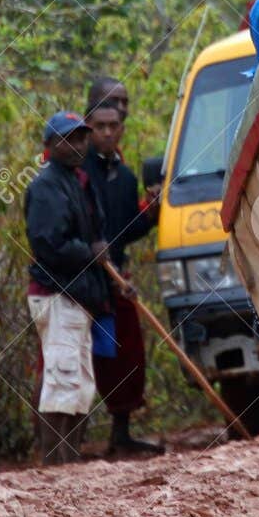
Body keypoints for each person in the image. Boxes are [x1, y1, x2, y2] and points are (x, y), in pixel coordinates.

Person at [25, 111, 114, 463]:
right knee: (62, 378)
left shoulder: (78, 180)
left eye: (81, 137)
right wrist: (91, 253)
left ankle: (70, 460)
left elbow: (92, 238)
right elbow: (49, 245)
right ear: (49, 145)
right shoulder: (45, 186)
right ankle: (54, 464)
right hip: (56, 293)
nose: (77, 144)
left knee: (80, 380)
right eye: (68, 138)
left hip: (79, 296)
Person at [84, 94, 164, 455]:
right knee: (81, 360)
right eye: (99, 127)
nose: (106, 133)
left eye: (113, 126)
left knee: (125, 354)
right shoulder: (77, 173)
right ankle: (68, 443)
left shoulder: (126, 174)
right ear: (88, 129)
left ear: (121, 130)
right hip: (81, 281)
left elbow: (124, 229)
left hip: (117, 279)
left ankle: (121, 434)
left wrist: (150, 214)